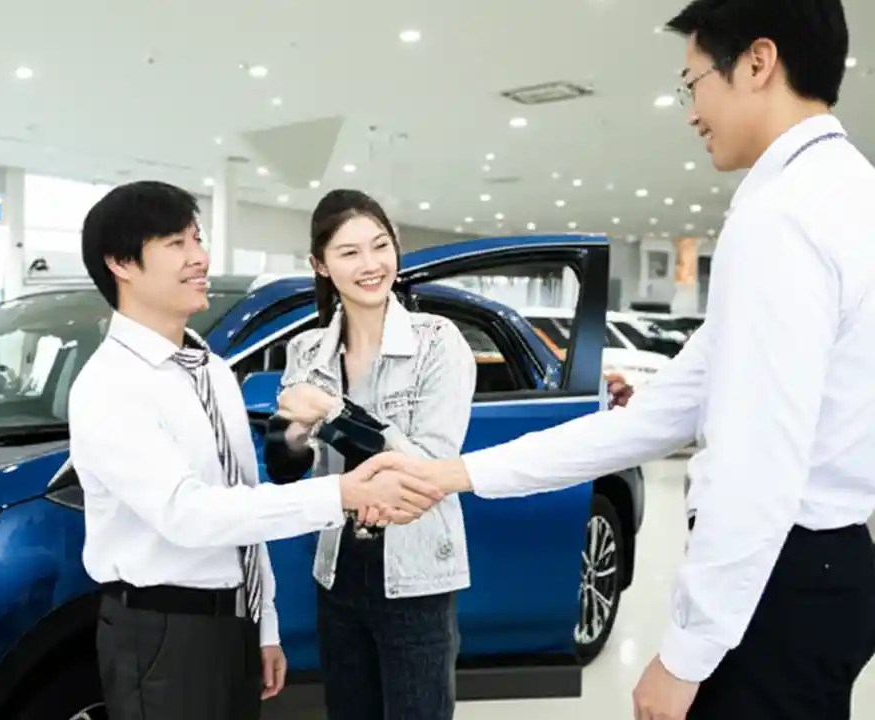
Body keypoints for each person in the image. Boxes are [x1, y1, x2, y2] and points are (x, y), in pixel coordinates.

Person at [358, 1, 875, 718]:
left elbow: (758, 466)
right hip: (826, 572)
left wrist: (686, 654)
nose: (690, 111)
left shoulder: (780, 218)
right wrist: (453, 474)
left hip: (776, 591)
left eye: (693, 82)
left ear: (758, 62)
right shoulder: (849, 191)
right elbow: (658, 417)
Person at [66, 180, 446, 720]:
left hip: (233, 625)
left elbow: (242, 500)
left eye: (197, 239)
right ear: (121, 263)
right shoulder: (110, 385)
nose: (199, 258)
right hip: (162, 633)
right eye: (176, 244)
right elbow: (189, 514)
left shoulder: (212, 372)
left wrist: (263, 624)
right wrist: (339, 493)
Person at [262, 189, 476, 719]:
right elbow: (287, 469)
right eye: (349, 252)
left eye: (380, 245)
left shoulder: (437, 341)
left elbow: (427, 469)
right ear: (320, 264)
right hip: (337, 568)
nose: (370, 264)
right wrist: (291, 433)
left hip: (416, 572)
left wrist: (332, 412)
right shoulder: (306, 352)